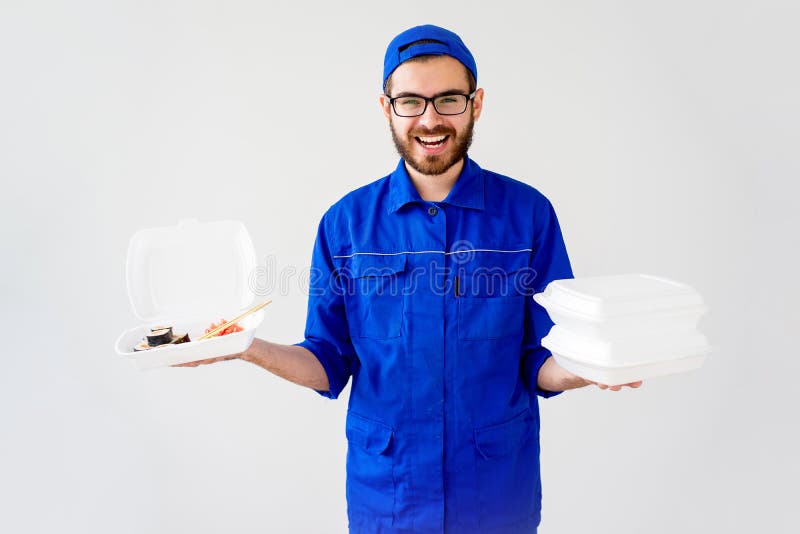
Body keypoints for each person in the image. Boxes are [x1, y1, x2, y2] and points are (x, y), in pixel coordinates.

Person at [180, 24, 642, 534]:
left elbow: (542, 361)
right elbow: (328, 363)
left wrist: (592, 366)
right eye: (410, 102)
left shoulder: (527, 215)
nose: (430, 119)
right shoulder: (346, 224)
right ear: (387, 108)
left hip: (496, 496)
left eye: (448, 99)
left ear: (476, 103)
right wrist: (245, 346)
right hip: (389, 499)